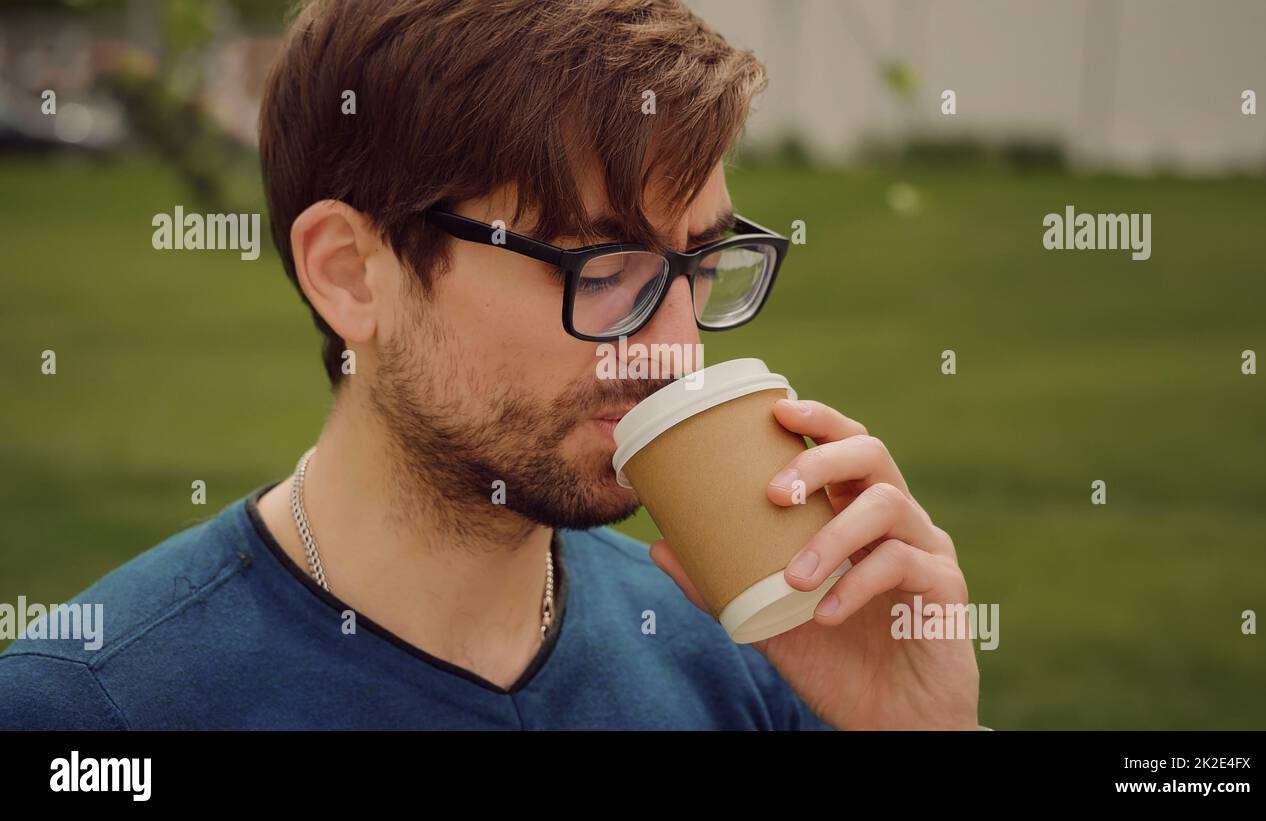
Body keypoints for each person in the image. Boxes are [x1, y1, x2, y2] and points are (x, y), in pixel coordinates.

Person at [0, 0, 979, 730]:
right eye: (604, 266)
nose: (678, 348)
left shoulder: (758, 649)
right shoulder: (91, 708)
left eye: (699, 263)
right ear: (350, 273)